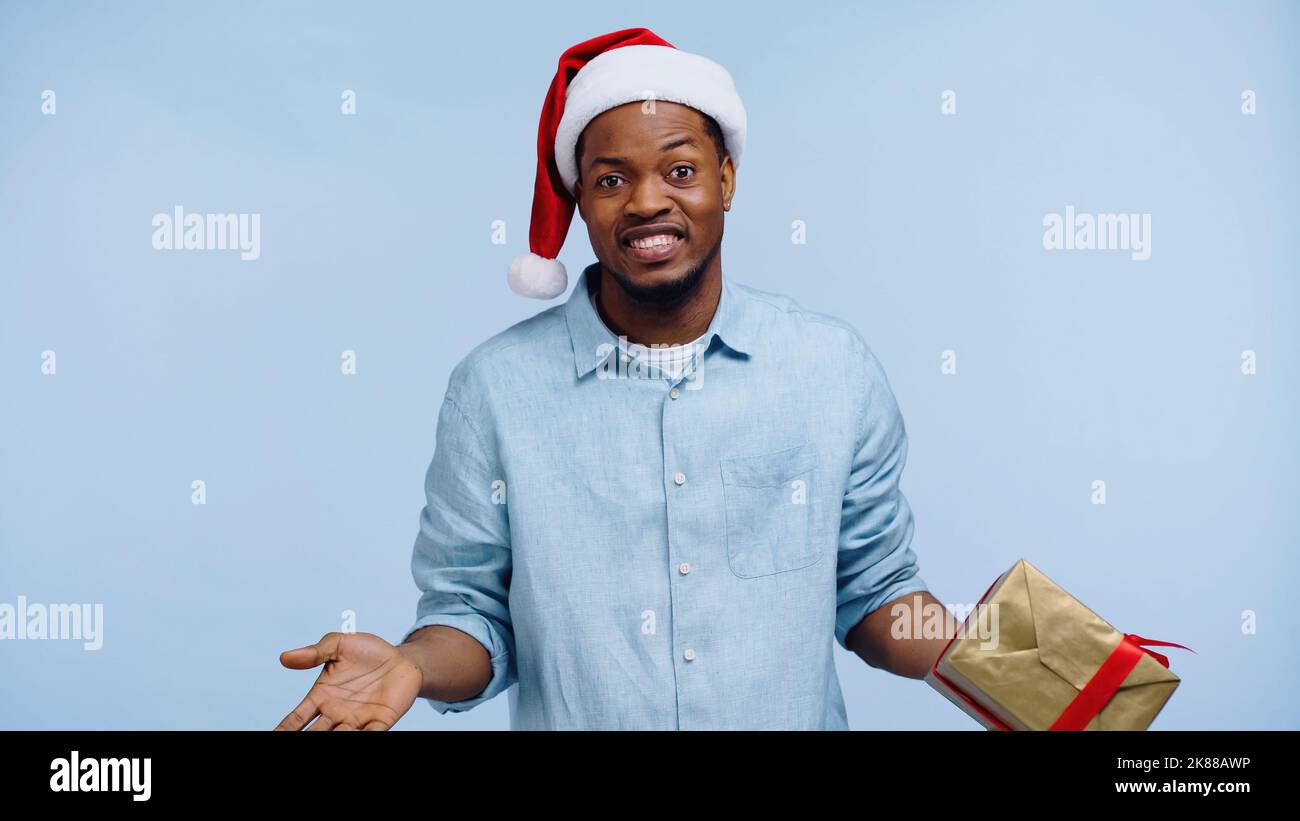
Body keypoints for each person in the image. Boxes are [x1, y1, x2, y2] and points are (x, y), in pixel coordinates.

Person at [276, 26, 949, 731]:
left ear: (726, 178)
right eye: (610, 179)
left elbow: (874, 591)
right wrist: (411, 664)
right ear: (580, 200)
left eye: (680, 171)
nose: (647, 202)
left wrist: (995, 656)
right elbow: (470, 614)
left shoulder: (831, 370)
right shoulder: (493, 390)